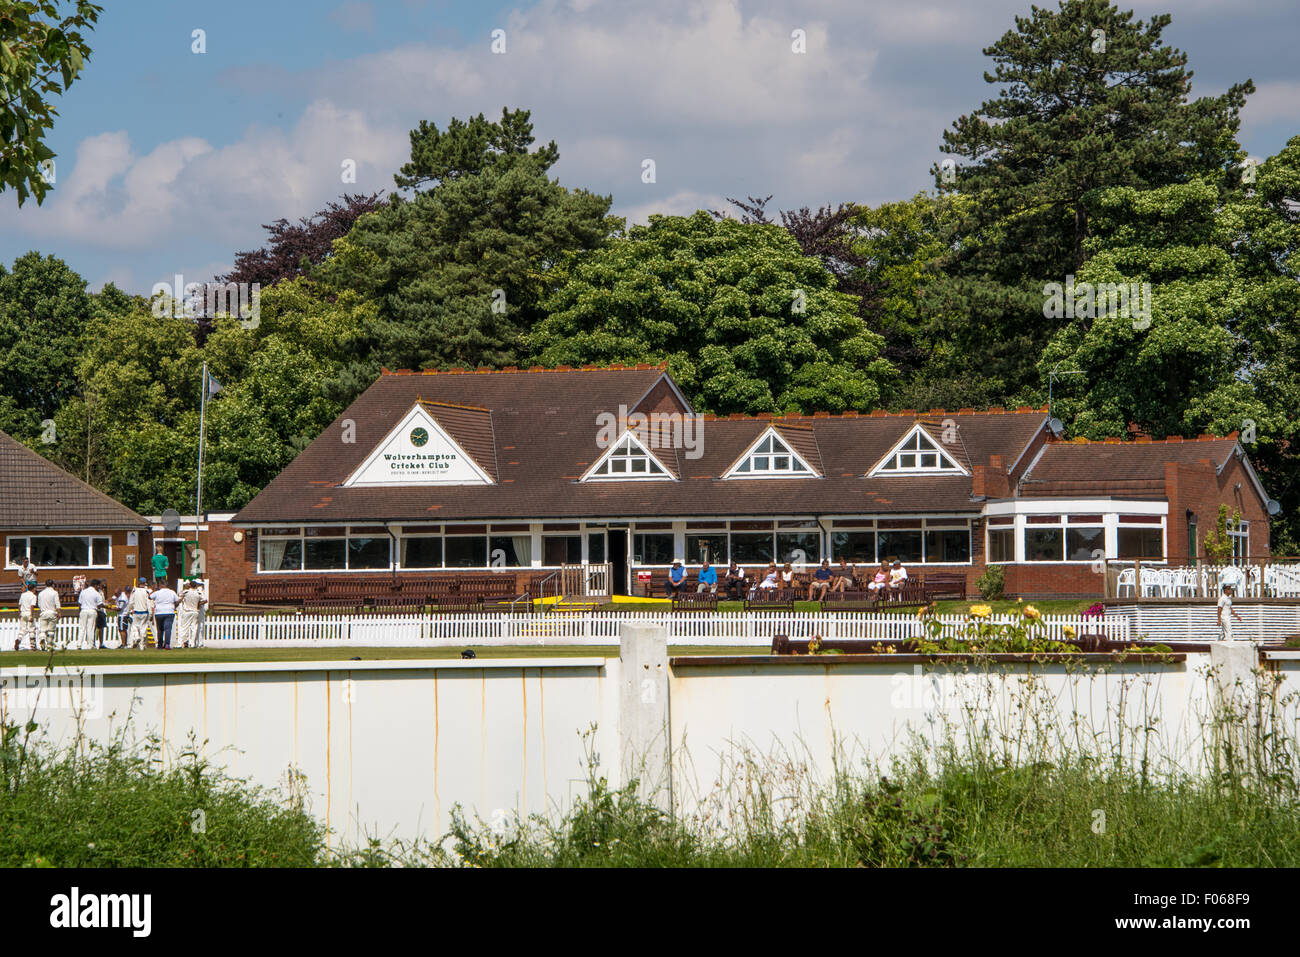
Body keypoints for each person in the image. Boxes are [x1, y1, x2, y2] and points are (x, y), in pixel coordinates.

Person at [176, 580, 207, 648]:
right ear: (196, 586)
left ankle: (180, 643)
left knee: (184, 628)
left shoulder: (186, 592)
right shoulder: (198, 593)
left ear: (189, 585)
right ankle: (192, 644)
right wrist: (198, 604)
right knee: (194, 628)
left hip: (187, 611)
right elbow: (205, 600)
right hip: (195, 611)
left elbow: (179, 594)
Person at [76, 578, 103, 651]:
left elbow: (79, 603)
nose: (99, 587)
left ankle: (79, 644)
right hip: (92, 610)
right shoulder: (96, 593)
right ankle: (90, 645)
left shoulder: (83, 592)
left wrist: (80, 611)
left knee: (82, 628)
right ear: (95, 585)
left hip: (83, 610)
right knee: (90, 628)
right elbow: (100, 605)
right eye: (98, 586)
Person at [150, 580, 179, 650]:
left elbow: (149, 596)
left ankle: (160, 645)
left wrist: (154, 589)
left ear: (160, 585)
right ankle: (167, 644)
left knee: (160, 629)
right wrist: (174, 606)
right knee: (168, 629)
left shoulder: (157, 593)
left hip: (159, 612)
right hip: (169, 611)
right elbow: (177, 601)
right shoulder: (172, 592)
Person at [36, 579, 61, 651]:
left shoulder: (41, 593)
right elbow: (57, 604)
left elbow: (39, 604)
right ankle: (49, 646)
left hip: (43, 612)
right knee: (51, 630)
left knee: (43, 630)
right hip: (52, 612)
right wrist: (59, 612)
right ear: (52, 584)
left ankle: (42, 638)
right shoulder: (54, 593)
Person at [128, 578, 152, 649]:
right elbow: (149, 603)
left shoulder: (135, 591)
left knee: (134, 626)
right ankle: (141, 645)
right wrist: (150, 614)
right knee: (143, 628)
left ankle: (137, 637)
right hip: (145, 612)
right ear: (145, 583)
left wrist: (129, 611)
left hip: (136, 612)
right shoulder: (147, 591)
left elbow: (131, 602)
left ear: (139, 583)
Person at [17, 581, 37, 651]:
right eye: (35, 588)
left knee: (22, 629)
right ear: (33, 589)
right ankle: (33, 646)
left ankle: (18, 639)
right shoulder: (33, 596)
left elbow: (19, 604)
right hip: (29, 613)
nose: (35, 589)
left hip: (23, 613)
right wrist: (31, 616)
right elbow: (32, 606)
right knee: (31, 629)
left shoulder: (23, 595)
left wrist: (19, 613)